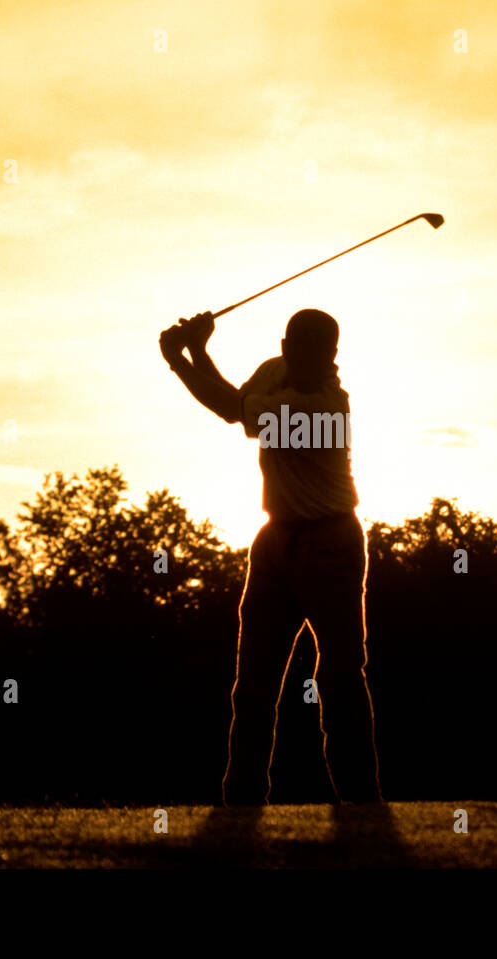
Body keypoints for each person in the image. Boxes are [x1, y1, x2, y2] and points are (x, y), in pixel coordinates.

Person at [159, 308, 383, 805]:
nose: (306, 360)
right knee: (254, 682)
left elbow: (229, 405)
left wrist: (179, 359)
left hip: (332, 544)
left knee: (341, 674)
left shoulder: (325, 409)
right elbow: (234, 405)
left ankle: (361, 799)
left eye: (317, 352)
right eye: (299, 350)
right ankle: (241, 800)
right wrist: (198, 351)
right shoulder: (274, 373)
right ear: (285, 348)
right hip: (275, 539)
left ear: (332, 356)